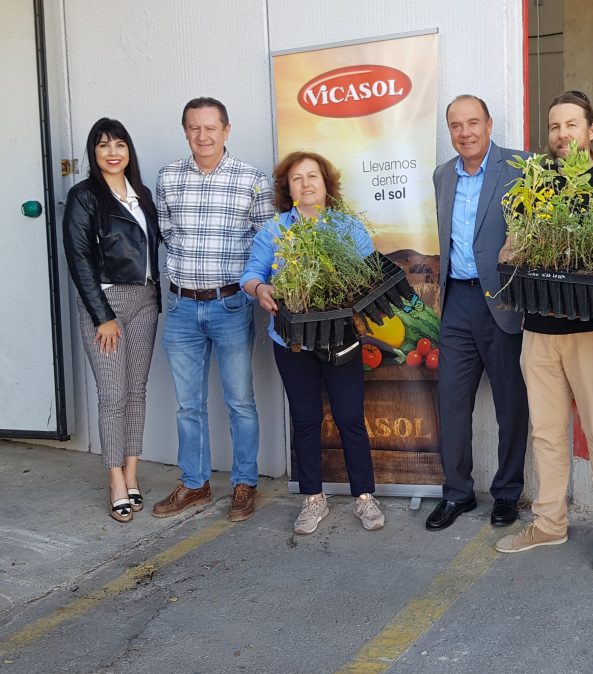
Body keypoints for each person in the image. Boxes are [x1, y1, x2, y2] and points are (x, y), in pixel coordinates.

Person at [495, 90, 593, 574]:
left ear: (591, 131)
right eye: (554, 127)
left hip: (590, 331)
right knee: (547, 434)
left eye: (571, 125)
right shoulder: (533, 185)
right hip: (537, 330)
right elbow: (508, 254)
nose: (561, 135)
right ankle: (549, 522)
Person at [239, 151, 384, 534]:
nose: (306, 184)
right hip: (292, 340)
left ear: (326, 183)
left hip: (341, 338)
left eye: (313, 176)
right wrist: (261, 288)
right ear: (287, 189)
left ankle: (364, 498)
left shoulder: (346, 227)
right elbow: (250, 274)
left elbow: (370, 273)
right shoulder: (274, 230)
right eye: (297, 179)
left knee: (351, 417)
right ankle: (313, 499)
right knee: (305, 420)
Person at [153, 97, 274, 522]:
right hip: (182, 307)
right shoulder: (167, 178)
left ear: (226, 130)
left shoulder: (252, 180)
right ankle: (195, 484)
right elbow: (167, 233)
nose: (202, 136)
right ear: (185, 131)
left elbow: (266, 241)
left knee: (241, 401)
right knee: (188, 405)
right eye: (193, 128)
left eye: (210, 128)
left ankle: (244, 484)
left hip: (231, 306)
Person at [425, 95, 530, 531]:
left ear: (489, 123)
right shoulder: (443, 175)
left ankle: (507, 493)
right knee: (450, 402)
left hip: (502, 302)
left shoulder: (521, 167)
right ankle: (458, 493)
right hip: (457, 303)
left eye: (472, 122)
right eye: (455, 125)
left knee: (510, 404)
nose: (464, 132)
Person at [63, 118, 160, 523]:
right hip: (107, 302)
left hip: (146, 299)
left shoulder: (143, 194)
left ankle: (132, 473)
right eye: (103, 145)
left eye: (119, 143)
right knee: (112, 394)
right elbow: (79, 258)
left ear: (128, 150)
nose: (112, 151)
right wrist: (102, 315)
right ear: (94, 153)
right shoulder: (84, 196)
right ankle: (114, 479)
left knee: (136, 392)